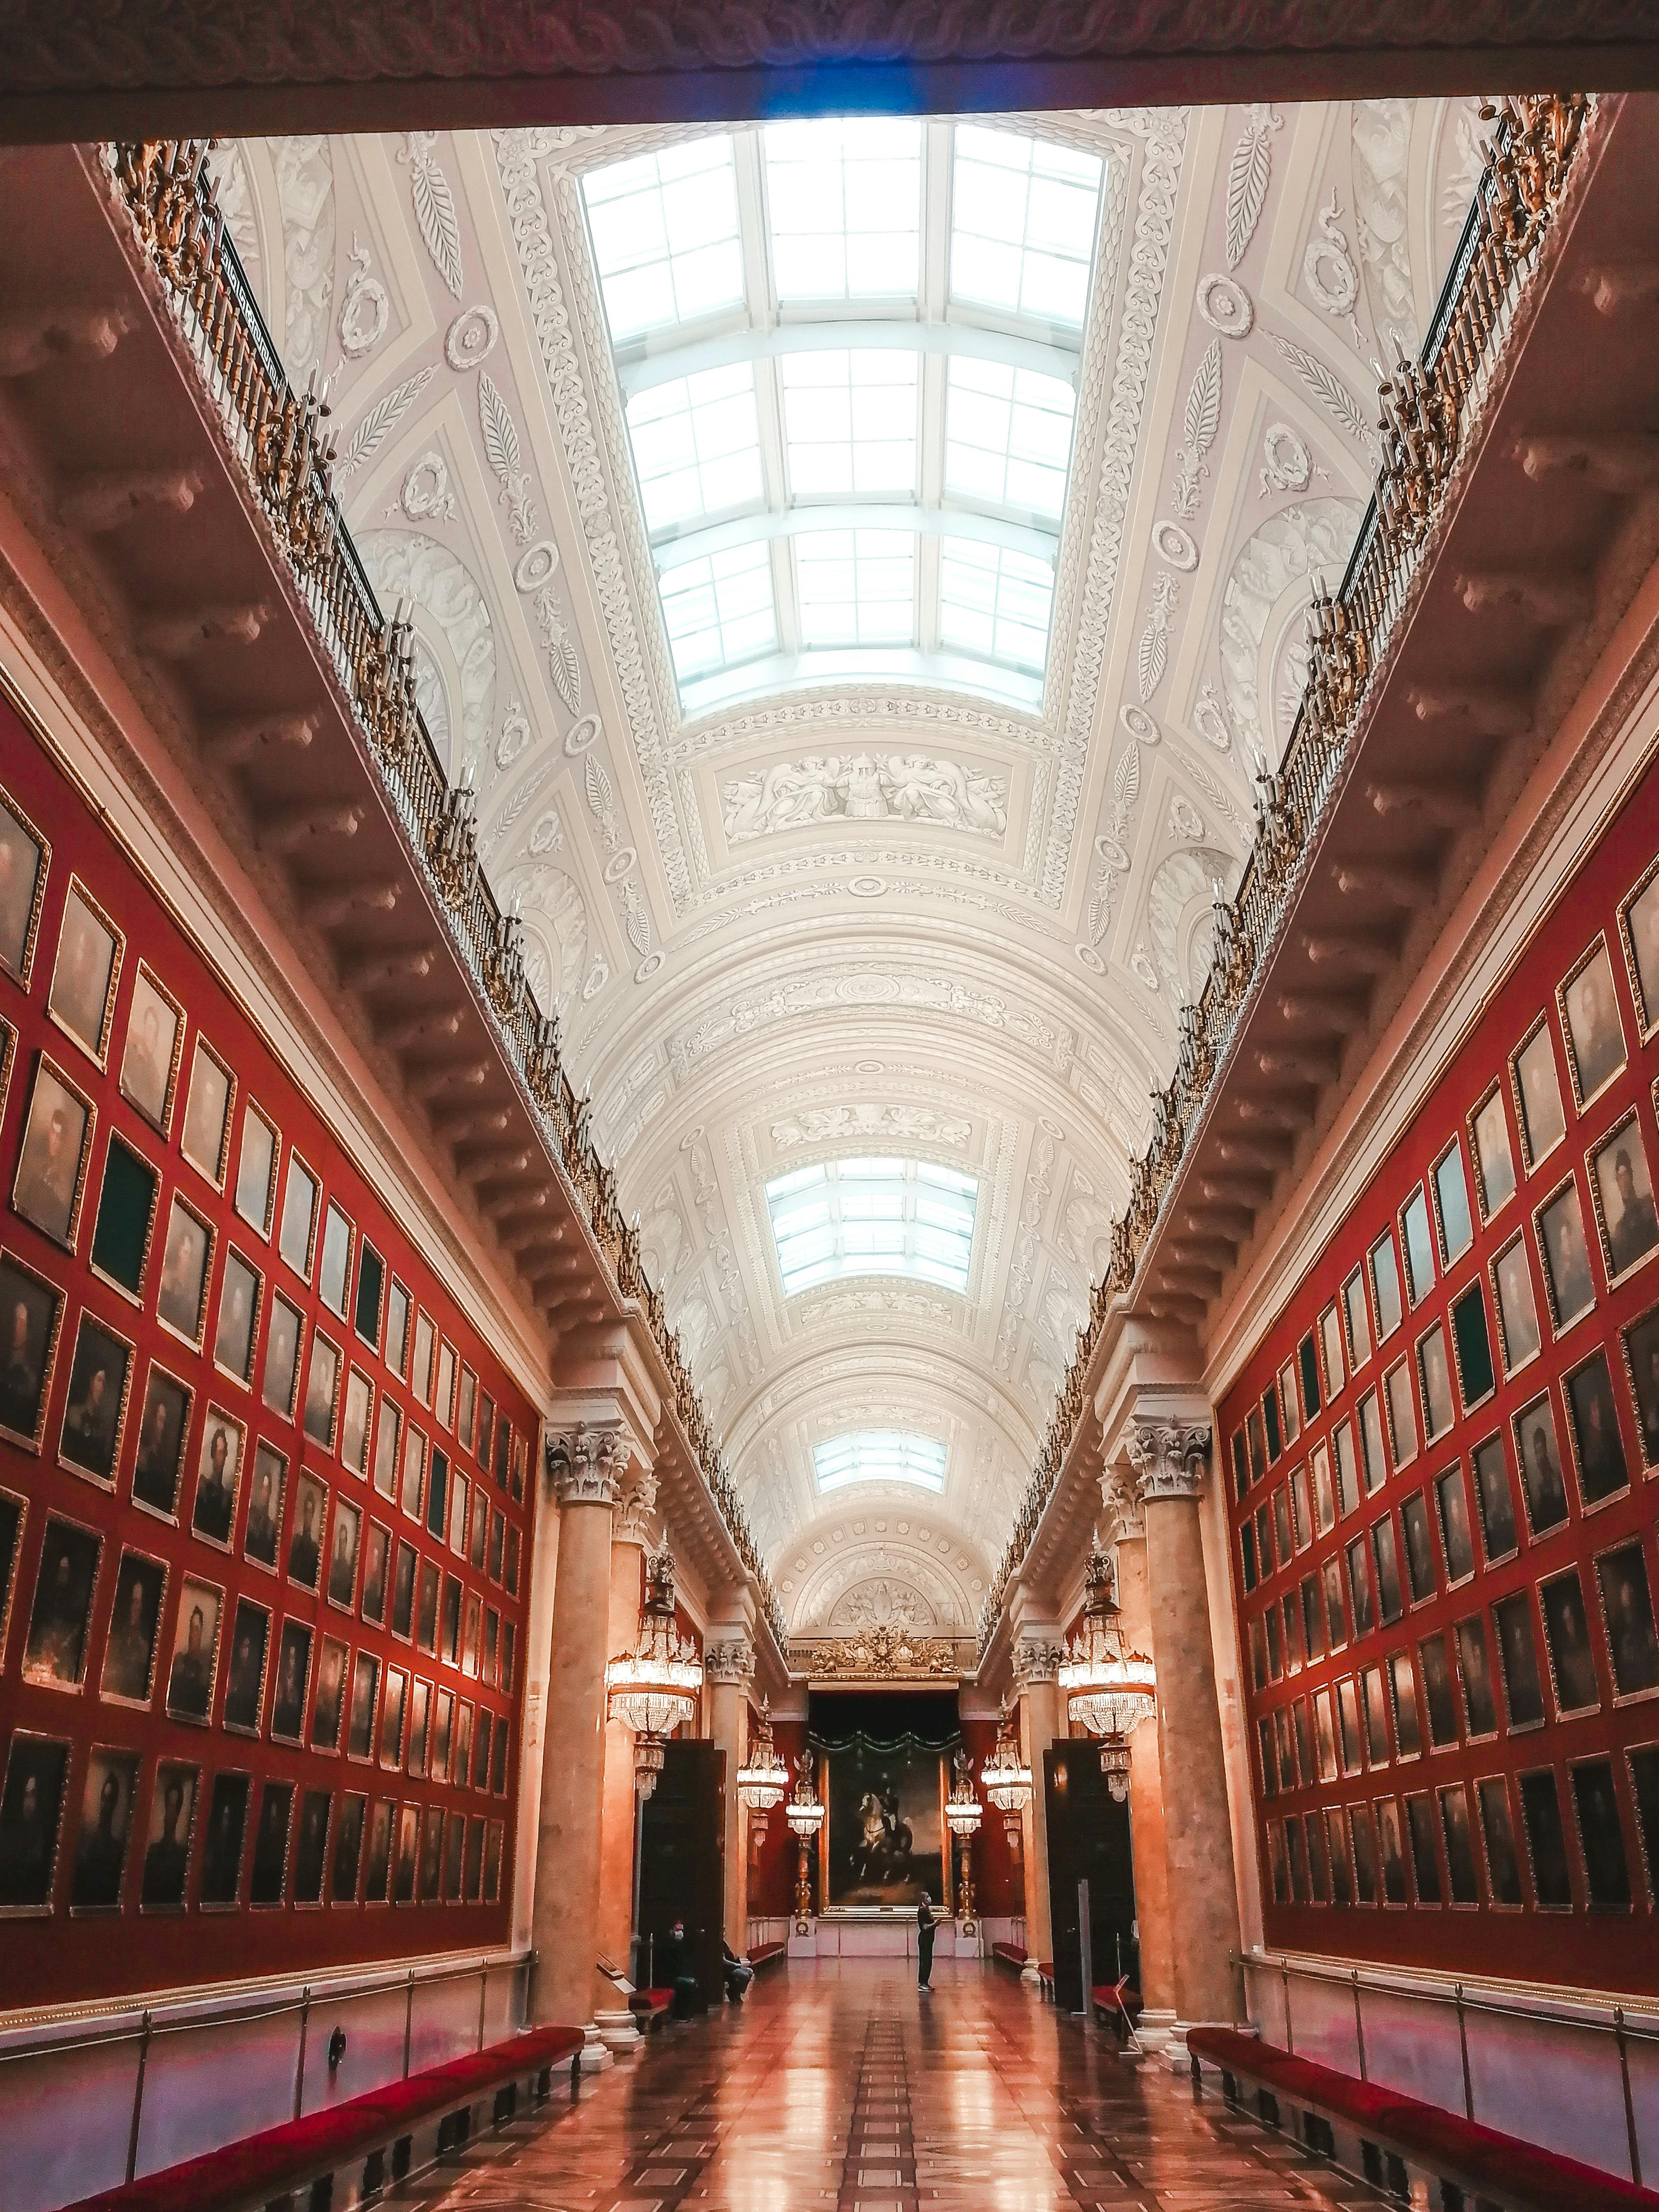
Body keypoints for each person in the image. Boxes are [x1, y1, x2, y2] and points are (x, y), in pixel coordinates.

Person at [721, 1939, 754, 2005]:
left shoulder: (724, 1943)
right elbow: (723, 1960)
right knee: (744, 1975)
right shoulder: (718, 1945)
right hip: (728, 1968)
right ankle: (734, 1992)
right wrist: (736, 1965)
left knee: (750, 1972)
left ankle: (738, 1991)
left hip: (733, 1966)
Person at [916, 1891, 937, 1990]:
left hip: (929, 1939)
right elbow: (924, 1927)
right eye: (927, 1897)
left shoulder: (926, 1910)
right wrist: (936, 1924)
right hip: (925, 1939)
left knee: (928, 1961)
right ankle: (922, 1983)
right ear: (923, 1899)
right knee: (925, 1961)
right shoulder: (923, 1911)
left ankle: (926, 1982)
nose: (929, 1899)